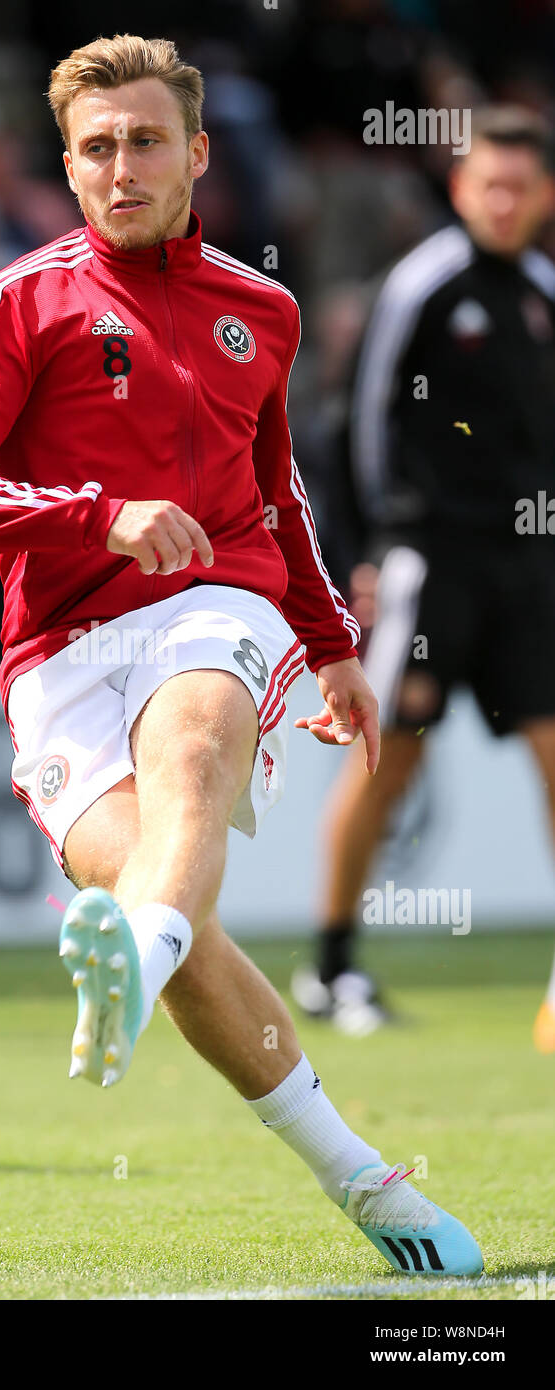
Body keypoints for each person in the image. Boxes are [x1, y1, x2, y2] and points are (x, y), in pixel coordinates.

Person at [0, 33, 482, 1277]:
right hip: (56, 654)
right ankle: (360, 1178)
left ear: (197, 153)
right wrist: (89, 512)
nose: (119, 166)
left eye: (144, 140)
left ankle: (132, 961)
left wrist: (331, 645)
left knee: (198, 743)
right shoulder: (17, 300)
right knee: (174, 921)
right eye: (95, 148)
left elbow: (280, 494)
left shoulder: (260, 307)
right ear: (65, 163)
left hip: (216, 604)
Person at [290, 106, 555, 1042]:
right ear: (460, 188)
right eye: (489, 183)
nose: (503, 200)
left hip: (529, 566)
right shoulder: (422, 286)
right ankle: (332, 967)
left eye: (521, 186)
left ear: (545, 195)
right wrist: (362, 551)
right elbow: (357, 421)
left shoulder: (541, 292)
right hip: (429, 558)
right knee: (389, 754)